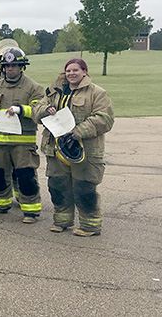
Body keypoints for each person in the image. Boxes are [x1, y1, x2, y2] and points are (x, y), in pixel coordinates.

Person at [32, 58, 114, 236]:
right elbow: (36, 109)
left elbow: (105, 119)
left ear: (84, 72)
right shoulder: (54, 91)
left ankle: (90, 225)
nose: (71, 74)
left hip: (84, 150)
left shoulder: (97, 93)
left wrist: (79, 131)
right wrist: (45, 111)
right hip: (55, 148)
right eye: (68, 71)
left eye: (76, 70)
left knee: (84, 187)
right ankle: (62, 221)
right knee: (57, 185)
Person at [0, 47, 45, 223]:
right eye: (6, 66)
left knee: (26, 176)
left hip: (23, 144)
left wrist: (21, 109)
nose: (10, 69)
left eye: (14, 65)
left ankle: (31, 211)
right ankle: (0, 205)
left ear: (22, 67)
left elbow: (40, 110)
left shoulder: (33, 87)